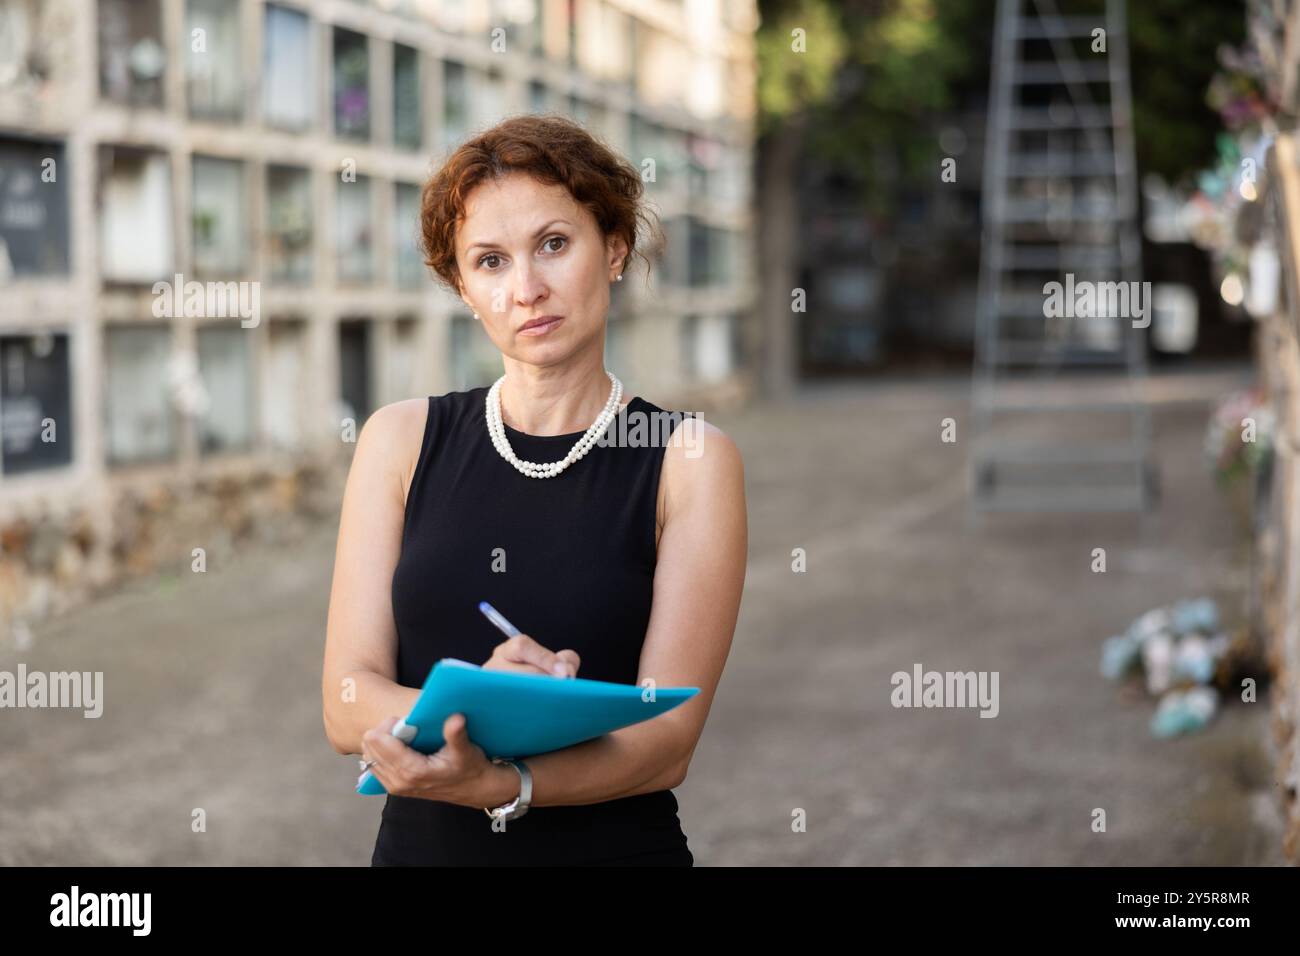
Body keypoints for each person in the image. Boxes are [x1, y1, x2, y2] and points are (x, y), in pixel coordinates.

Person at [322, 114, 747, 865]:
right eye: (489, 261)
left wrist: (495, 780)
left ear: (614, 248)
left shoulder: (691, 460)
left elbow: (667, 740)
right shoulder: (398, 441)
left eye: (554, 244)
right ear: (462, 285)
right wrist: (476, 705)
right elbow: (344, 701)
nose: (526, 289)